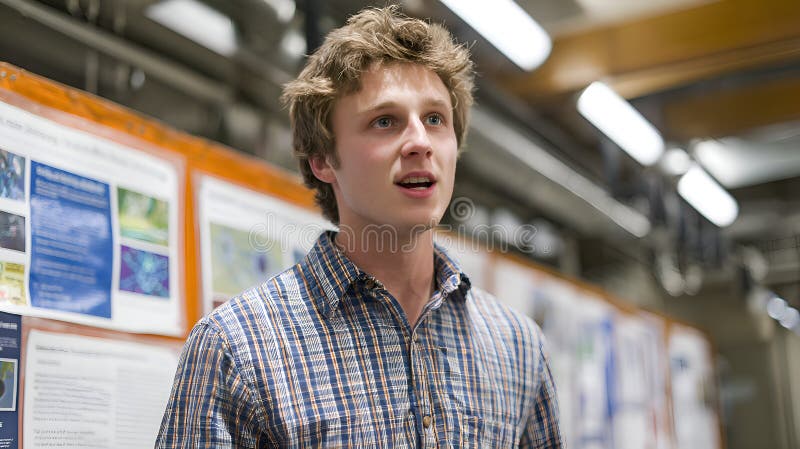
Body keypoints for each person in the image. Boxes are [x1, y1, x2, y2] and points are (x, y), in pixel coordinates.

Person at [156, 5, 562, 448]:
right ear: (324, 160)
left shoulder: (518, 348)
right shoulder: (236, 349)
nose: (420, 142)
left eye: (434, 119)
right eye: (384, 121)